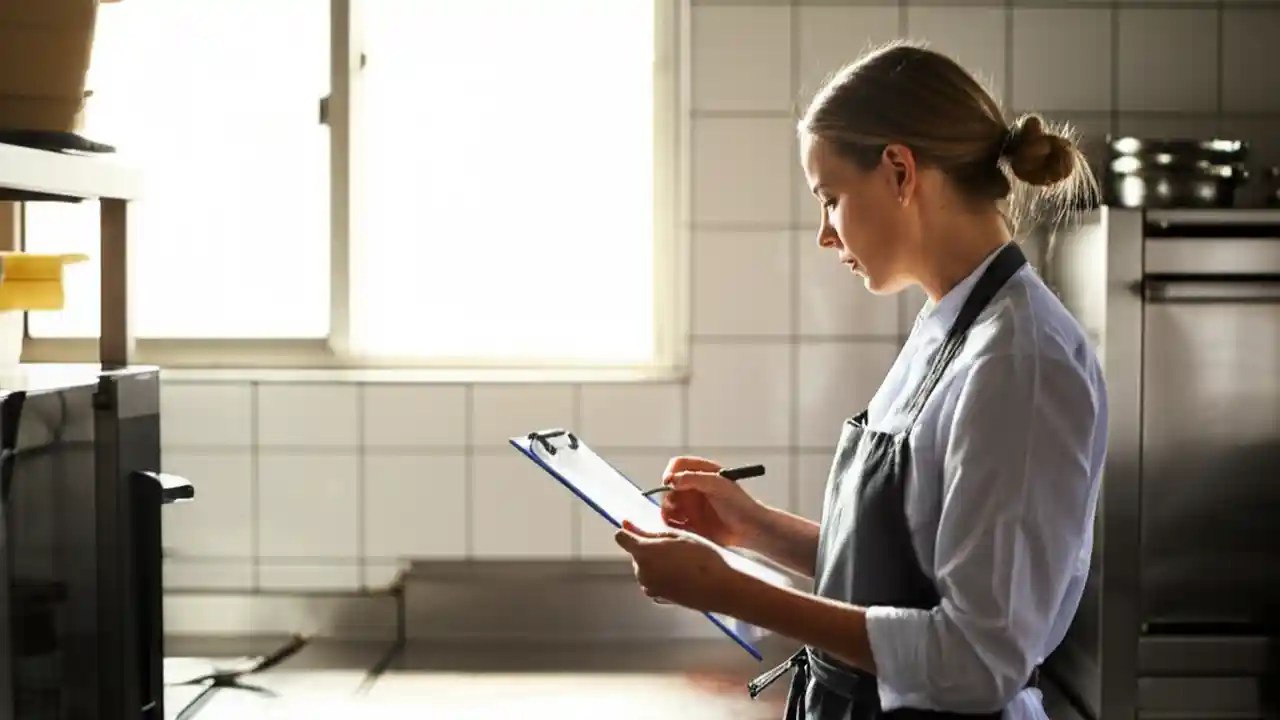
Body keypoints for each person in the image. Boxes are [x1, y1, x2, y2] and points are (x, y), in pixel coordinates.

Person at [614, 40, 1108, 720]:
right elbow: (908, 572)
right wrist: (754, 528)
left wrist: (733, 592)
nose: (825, 233)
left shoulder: (1021, 363)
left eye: (831, 199)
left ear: (900, 172)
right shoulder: (952, 326)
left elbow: (977, 661)